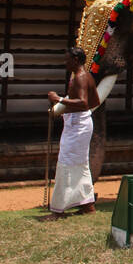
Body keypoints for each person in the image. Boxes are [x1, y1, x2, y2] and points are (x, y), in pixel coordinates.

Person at [46, 47, 100, 219]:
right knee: (80, 165)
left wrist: (59, 100)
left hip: (78, 126)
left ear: (76, 60)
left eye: (67, 59)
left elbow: (84, 103)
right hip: (80, 123)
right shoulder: (86, 76)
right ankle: (87, 205)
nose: (65, 62)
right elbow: (95, 101)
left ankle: (57, 210)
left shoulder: (81, 78)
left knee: (66, 163)